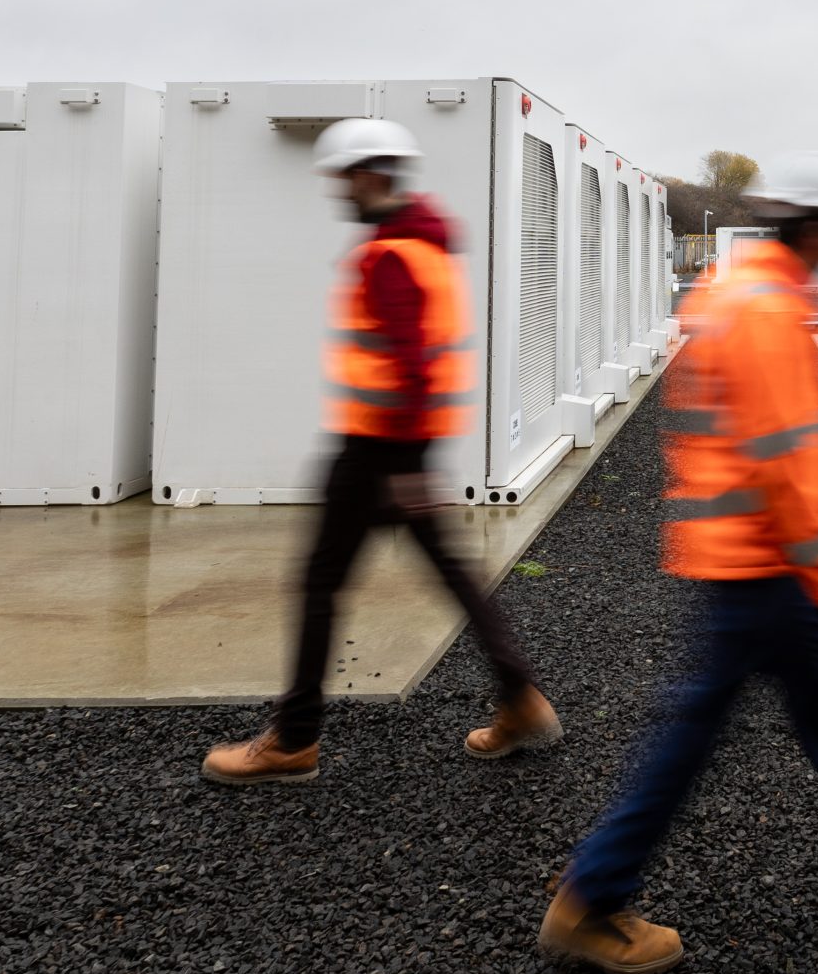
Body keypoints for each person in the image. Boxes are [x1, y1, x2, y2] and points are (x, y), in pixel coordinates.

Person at [537, 155, 818, 974]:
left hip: (742, 552)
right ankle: (592, 898)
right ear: (816, 228)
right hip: (770, 560)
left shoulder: (735, 290)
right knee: (702, 728)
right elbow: (782, 462)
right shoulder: (771, 310)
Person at [202, 118, 561, 785]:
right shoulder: (427, 244)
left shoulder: (391, 255)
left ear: (368, 173)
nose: (337, 189)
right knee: (449, 571)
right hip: (402, 445)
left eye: (342, 177)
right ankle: (519, 696)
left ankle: (294, 739)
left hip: (376, 448)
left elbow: (413, 361)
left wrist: (399, 462)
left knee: (320, 582)